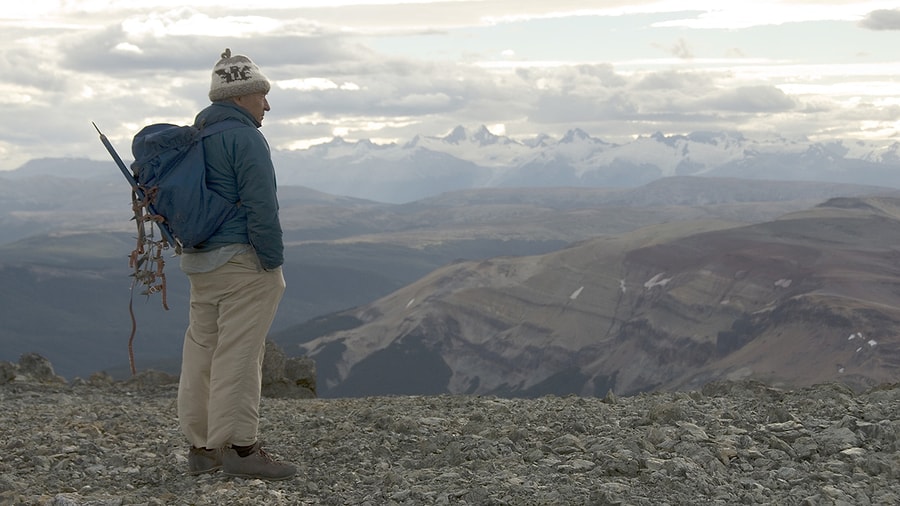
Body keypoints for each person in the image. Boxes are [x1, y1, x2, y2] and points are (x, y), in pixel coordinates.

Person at [175, 48, 296, 481]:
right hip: (242, 261)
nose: (267, 104)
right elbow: (263, 206)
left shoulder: (197, 133)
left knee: (202, 350)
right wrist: (272, 264)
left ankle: (201, 447)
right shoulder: (244, 138)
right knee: (241, 353)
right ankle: (240, 448)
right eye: (262, 94)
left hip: (200, 260)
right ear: (242, 95)